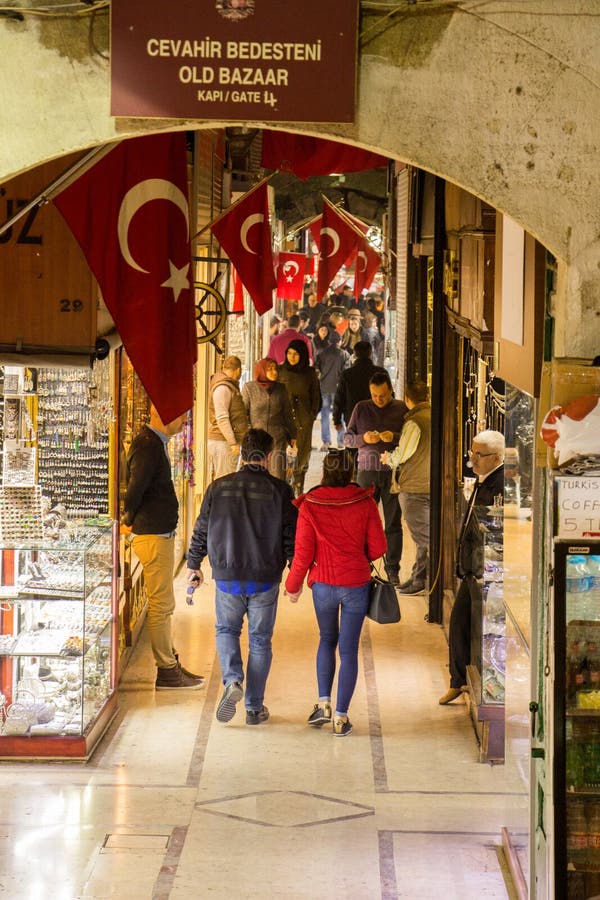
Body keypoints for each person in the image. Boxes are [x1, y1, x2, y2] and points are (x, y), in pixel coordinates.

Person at [187, 429, 297, 725]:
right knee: (260, 640)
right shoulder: (281, 491)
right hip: (265, 577)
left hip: (228, 575)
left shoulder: (218, 488)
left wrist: (194, 563)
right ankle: (253, 708)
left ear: (242, 454)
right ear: (269, 456)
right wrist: (294, 573)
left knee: (226, 630)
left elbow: (202, 528)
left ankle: (233, 681)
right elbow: (291, 536)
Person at [285, 449, 387, 737]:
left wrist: (292, 586)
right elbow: (379, 548)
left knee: (326, 639)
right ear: (351, 472)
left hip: (324, 586)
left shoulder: (310, 505)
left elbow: (303, 554)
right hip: (356, 585)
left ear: (324, 472)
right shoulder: (365, 502)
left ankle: (323, 705)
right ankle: (341, 719)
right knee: (348, 649)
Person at [121, 405, 204, 690]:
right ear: (161, 414)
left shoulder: (154, 443)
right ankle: (167, 670)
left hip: (158, 532)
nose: (183, 421)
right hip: (152, 534)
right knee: (161, 605)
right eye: (180, 415)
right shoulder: (148, 445)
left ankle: (171, 660)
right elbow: (135, 490)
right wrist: (128, 519)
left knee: (165, 605)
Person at [439, 430, 505, 704]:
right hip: (473, 567)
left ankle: (466, 682)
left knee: (473, 626)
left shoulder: (499, 485)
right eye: (472, 453)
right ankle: (458, 680)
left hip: (484, 569)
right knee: (459, 624)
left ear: (497, 457)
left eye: (479, 455)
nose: (472, 460)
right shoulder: (483, 480)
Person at [343, 371, 407, 583]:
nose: (378, 400)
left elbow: (410, 438)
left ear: (391, 390)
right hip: (367, 471)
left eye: (383, 395)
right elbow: (347, 439)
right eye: (374, 395)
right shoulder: (361, 408)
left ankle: (392, 569)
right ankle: (362, 566)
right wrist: (363, 438)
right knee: (362, 522)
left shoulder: (401, 408)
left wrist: (394, 437)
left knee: (393, 524)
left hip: (392, 473)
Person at [384, 381, 431, 595]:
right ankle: (417, 576)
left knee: (423, 538)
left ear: (406, 398)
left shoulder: (415, 422)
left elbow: (402, 455)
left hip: (414, 488)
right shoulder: (434, 416)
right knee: (424, 536)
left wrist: (388, 458)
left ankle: (422, 580)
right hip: (430, 484)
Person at [242, 357, 296, 480]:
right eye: (270, 369)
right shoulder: (249, 388)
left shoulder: (281, 389)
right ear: (262, 370)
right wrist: (248, 433)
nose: (274, 372)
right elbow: (244, 414)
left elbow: (287, 414)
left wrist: (293, 435)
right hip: (256, 441)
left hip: (277, 440)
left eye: (275, 369)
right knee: (256, 476)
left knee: (277, 477)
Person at [279, 340, 321, 496]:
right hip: (283, 422)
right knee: (282, 458)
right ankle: (284, 493)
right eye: (289, 353)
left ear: (302, 355)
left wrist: (310, 416)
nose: (292, 357)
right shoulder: (280, 371)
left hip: (303, 423)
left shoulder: (309, 373)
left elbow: (316, 398)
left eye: (296, 354)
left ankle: (298, 491)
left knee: (301, 458)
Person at [332, 341, 387, 439]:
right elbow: (389, 394)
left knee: (353, 443)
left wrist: (337, 420)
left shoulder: (347, 374)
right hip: (377, 417)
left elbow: (339, 398)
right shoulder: (381, 372)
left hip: (352, 418)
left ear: (355, 354)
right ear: (370, 353)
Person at [207, 355, 249, 480]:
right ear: (238, 370)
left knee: (226, 479)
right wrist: (232, 442)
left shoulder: (227, 386)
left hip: (224, 441)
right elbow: (222, 418)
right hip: (222, 442)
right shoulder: (223, 388)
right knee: (224, 480)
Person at [315, 327, 348, 450]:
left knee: (324, 415)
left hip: (324, 387)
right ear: (340, 341)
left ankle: (326, 441)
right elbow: (346, 372)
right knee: (340, 414)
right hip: (338, 388)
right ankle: (341, 440)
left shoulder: (321, 354)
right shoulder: (344, 355)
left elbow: (317, 369)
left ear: (329, 341)